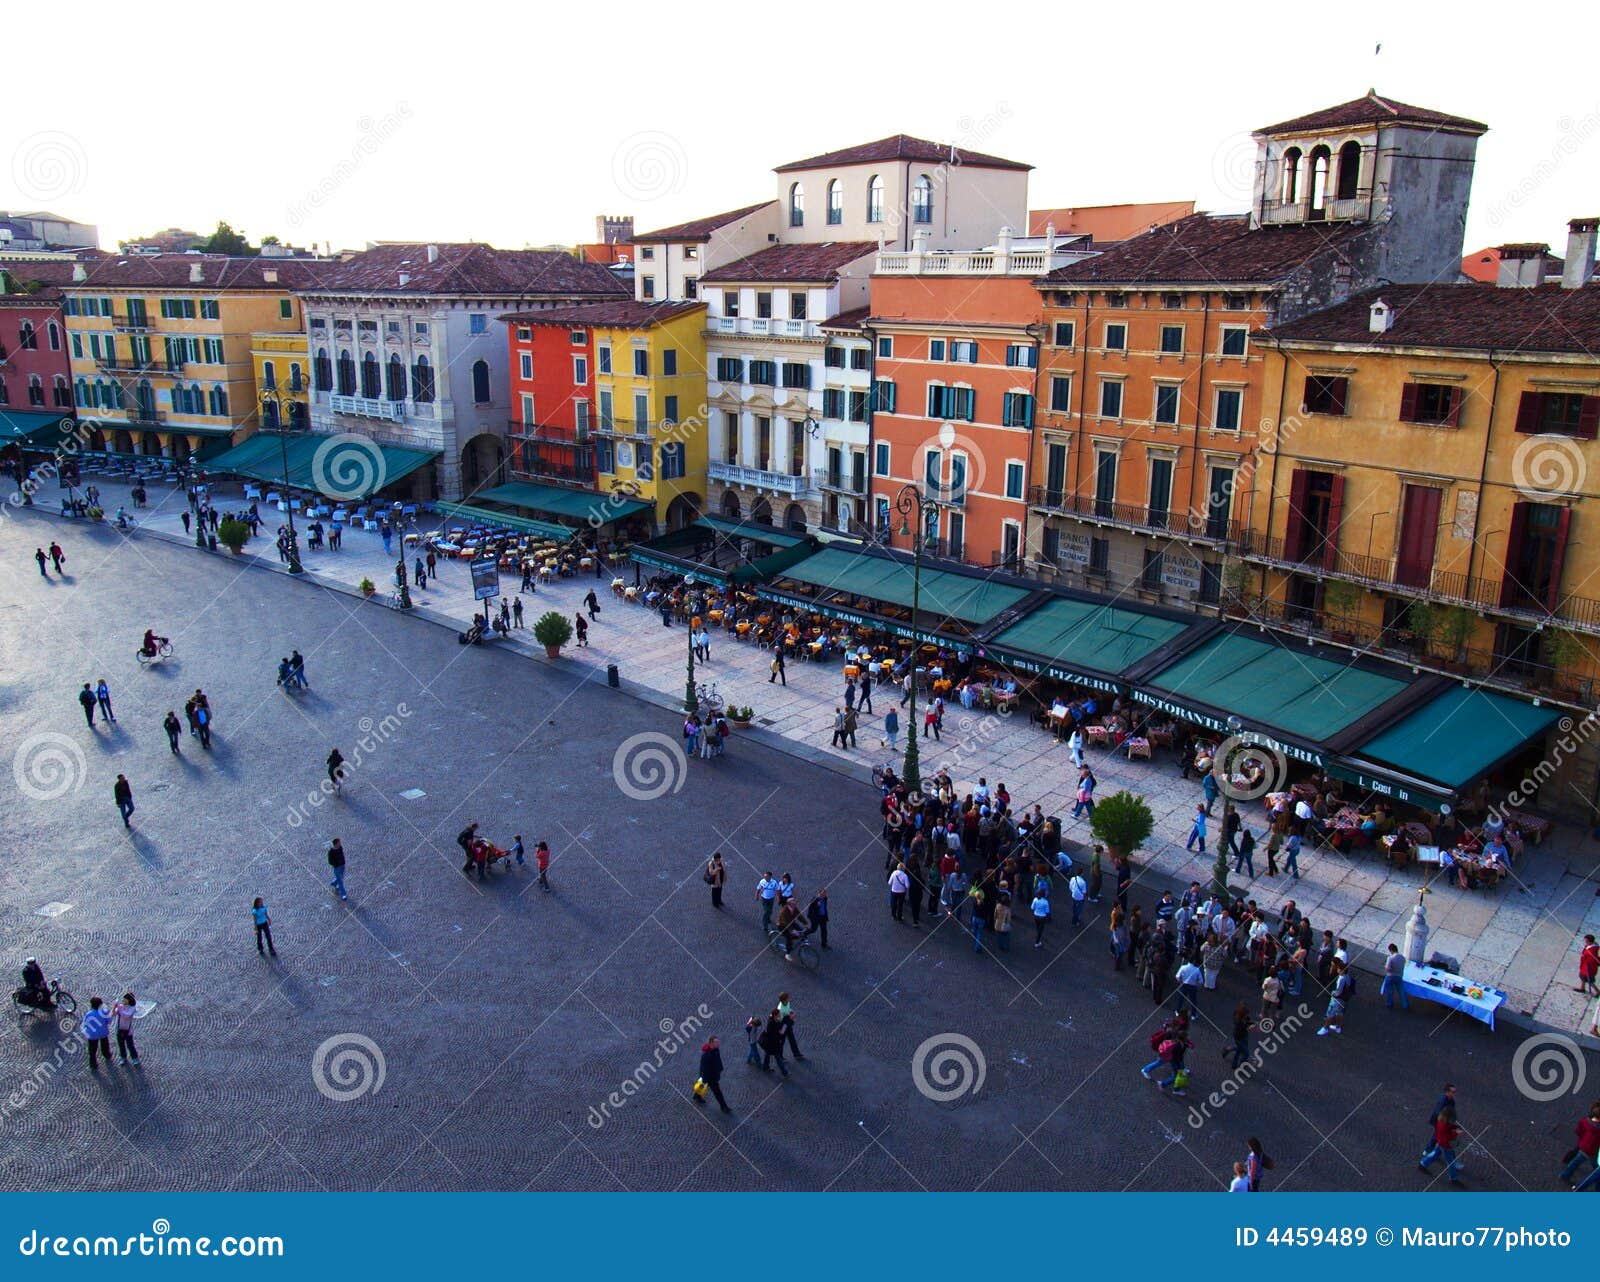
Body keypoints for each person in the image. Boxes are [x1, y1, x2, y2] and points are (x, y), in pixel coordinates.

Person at [1419, 1105, 1465, 1185]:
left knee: (1435, 1154)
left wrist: (1454, 1128)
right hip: (1446, 1145)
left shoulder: (1440, 1121)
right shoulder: (1445, 1126)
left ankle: (1423, 1163)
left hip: (1440, 1142)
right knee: (1451, 1162)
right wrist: (1455, 1132)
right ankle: (1453, 1178)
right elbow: (1449, 1136)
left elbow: (1448, 1128)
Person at [1558, 1101, 1600, 1186]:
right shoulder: (1598, 1130)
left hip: (1583, 1146)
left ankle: (1564, 1175)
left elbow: (1579, 1131)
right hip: (1593, 1151)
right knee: (1595, 1165)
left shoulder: (1585, 1121)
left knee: (1576, 1162)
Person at [695, 1036, 731, 1113]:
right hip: (710, 1077)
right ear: (711, 1043)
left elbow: (718, 1059)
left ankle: (697, 1096)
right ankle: (724, 1107)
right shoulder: (706, 1055)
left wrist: (720, 1067)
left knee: (703, 1086)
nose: (718, 1043)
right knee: (717, 1092)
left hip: (713, 1074)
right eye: (716, 1042)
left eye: (718, 1042)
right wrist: (705, 1078)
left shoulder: (716, 1050)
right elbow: (704, 1068)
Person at [1317, 961, 1351, 1035]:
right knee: (1340, 1012)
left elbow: (1338, 991)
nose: (1337, 970)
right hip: (1343, 999)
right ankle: (1338, 1027)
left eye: (1338, 968)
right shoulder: (1347, 976)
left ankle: (1325, 1028)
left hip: (1337, 999)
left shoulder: (1341, 979)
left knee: (1330, 1014)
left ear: (1342, 970)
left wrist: (1332, 993)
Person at [82, 997, 113, 1070]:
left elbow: (85, 1024)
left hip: (92, 1035)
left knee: (92, 1049)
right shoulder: (104, 1012)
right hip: (103, 1032)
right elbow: (109, 1021)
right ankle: (106, 1054)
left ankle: (93, 1063)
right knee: (105, 1044)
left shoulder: (88, 1014)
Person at [112, 993, 141, 1064]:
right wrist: (114, 1007)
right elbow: (113, 1014)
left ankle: (135, 1058)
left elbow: (126, 1015)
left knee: (130, 1045)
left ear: (129, 1000)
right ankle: (123, 1057)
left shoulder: (132, 1008)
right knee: (121, 1045)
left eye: (125, 1000)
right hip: (119, 1029)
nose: (123, 1001)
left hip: (128, 1030)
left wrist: (119, 1008)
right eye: (123, 999)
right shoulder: (121, 1006)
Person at [757, 1011, 788, 1077]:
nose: (779, 1016)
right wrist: (781, 1034)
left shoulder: (775, 1021)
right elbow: (772, 1035)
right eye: (778, 1015)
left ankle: (765, 1067)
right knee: (778, 1058)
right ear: (775, 1016)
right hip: (771, 1044)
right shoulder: (771, 1023)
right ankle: (785, 1073)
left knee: (767, 1054)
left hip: (769, 1044)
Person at [1382, 942, 1409, 1010]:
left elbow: (1388, 968)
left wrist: (1385, 967)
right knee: (1401, 992)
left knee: (1389, 991)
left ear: (1391, 950)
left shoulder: (1390, 958)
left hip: (1391, 976)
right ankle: (1405, 1005)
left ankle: (1389, 1004)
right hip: (1399, 976)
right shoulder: (1403, 958)